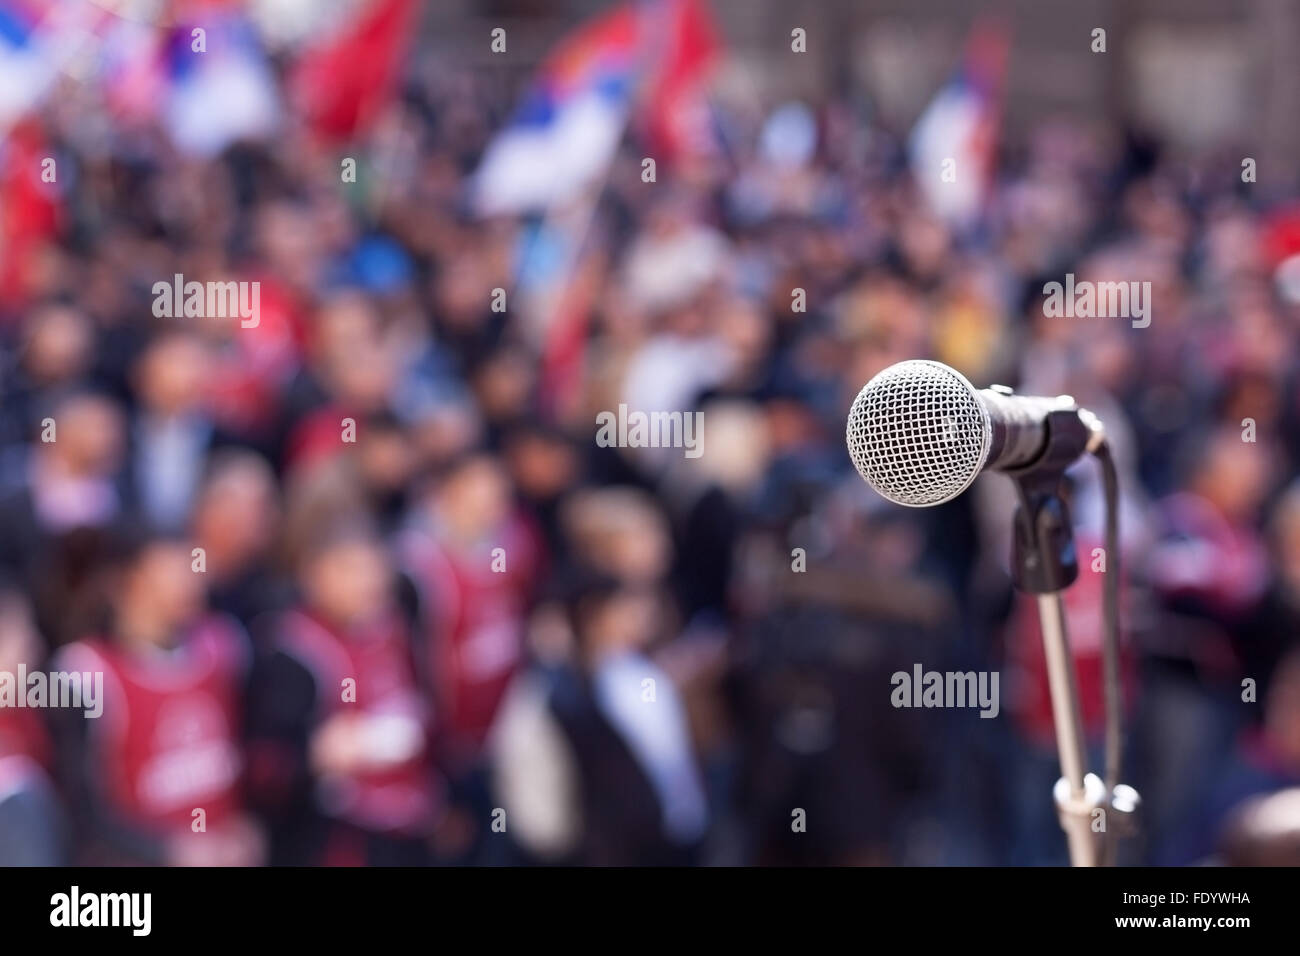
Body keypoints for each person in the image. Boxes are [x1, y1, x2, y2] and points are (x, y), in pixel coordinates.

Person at [53, 532, 262, 866]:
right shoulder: (86, 672)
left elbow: (253, 755)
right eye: (171, 570)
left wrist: (249, 824)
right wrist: (166, 851)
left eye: (190, 568)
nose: (190, 582)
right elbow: (80, 810)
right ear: (128, 583)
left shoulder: (223, 646)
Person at [248, 519, 440, 865]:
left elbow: (424, 708)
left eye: (373, 568)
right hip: (342, 835)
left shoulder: (396, 624)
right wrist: (313, 757)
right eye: (349, 570)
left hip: (413, 819)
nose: (366, 583)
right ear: (313, 575)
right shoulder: (292, 651)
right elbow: (263, 770)